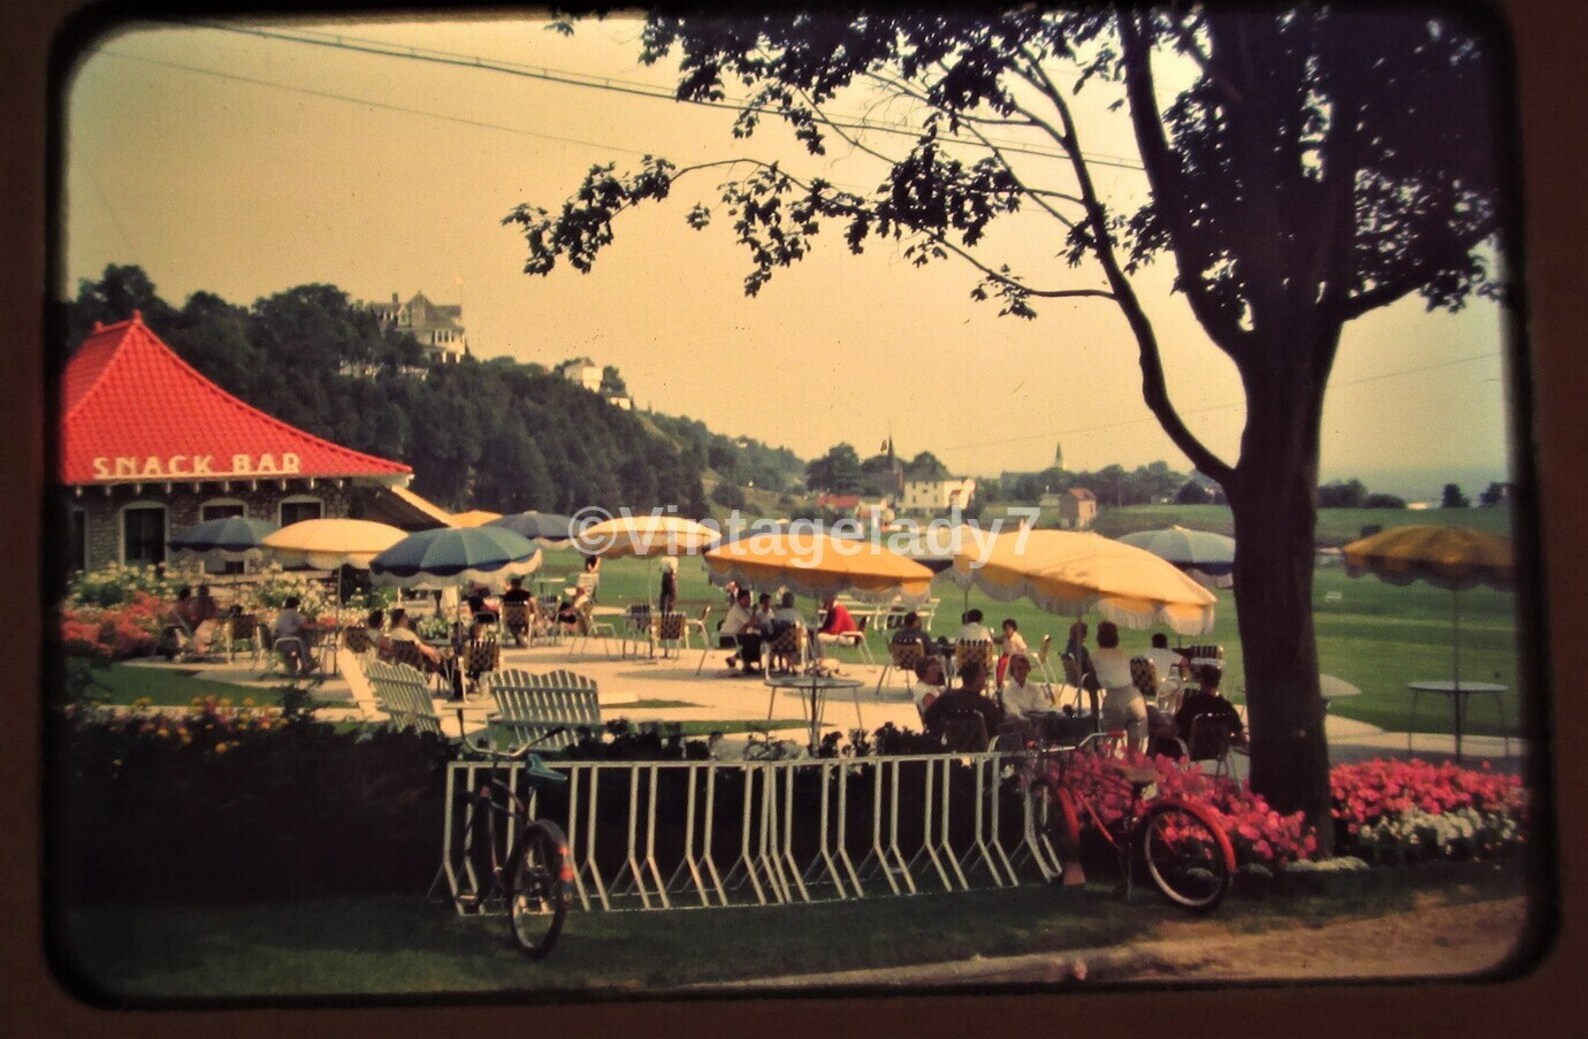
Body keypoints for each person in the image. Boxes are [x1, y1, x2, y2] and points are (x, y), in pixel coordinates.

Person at [1093, 620, 1147, 751]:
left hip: (1114, 699)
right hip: (1136, 699)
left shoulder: (1094, 656)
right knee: (1135, 754)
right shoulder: (1123, 655)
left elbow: (1092, 683)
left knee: (1106, 744)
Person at [1174, 664, 1245, 758]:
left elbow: (1173, 728)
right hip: (1216, 753)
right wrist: (1223, 741)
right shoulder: (1227, 708)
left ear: (1202, 681)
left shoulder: (1192, 704)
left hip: (1189, 752)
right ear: (1218, 682)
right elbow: (1241, 739)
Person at [921, 660, 1003, 741]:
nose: (985, 679)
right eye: (984, 675)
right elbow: (999, 728)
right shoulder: (986, 705)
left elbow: (927, 717)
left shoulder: (947, 698)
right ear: (977, 677)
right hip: (981, 750)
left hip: (950, 747)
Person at [720, 588, 763, 675]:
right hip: (728, 637)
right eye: (747, 600)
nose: (749, 602)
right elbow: (751, 623)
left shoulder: (745, 609)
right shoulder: (737, 609)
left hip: (737, 635)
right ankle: (746, 665)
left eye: (749, 600)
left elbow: (756, 621)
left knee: (754, 638)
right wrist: (754, 611)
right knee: (753, 640)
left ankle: (736, 660)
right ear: (740, 599)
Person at [1064, 620, 1101, 716]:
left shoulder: (1070, 647)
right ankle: (1095, 712)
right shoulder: (1080, 649)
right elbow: (1088, 665)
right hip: (1081, 677)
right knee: (1094, 684)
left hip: (1075, 676)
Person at [271, 595, 314, 676]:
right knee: (303, 642)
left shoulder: (283, 613)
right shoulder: (292, 613)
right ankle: (308, 663)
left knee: (302, 640)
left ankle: (306, 664)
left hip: (280, 640)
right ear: (296, 605)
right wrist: (315, 626)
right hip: (288, 640)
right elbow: (304, 625)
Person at [1142, 632, 1189, 706]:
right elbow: (1185, 662)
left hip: (1148, 685)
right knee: (1179, 684)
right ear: (1165, 643)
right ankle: (1176, 710)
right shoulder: (1168, 653)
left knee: (1174, 680)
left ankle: (1164, 706)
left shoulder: (1148, 652)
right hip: (1161, 686)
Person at [995, 617, 1028, 689]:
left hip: (1014, 657)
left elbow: (1023, 649)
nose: (1007, 630)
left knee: (1002, 663)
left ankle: (1000, 683)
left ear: (1013, 629)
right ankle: (999, 682)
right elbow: (997, 640)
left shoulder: (1017, 638)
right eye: (1005, 628)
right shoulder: (1004, 637)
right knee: (998, 664)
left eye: (1009, 628)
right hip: (1005, 656)